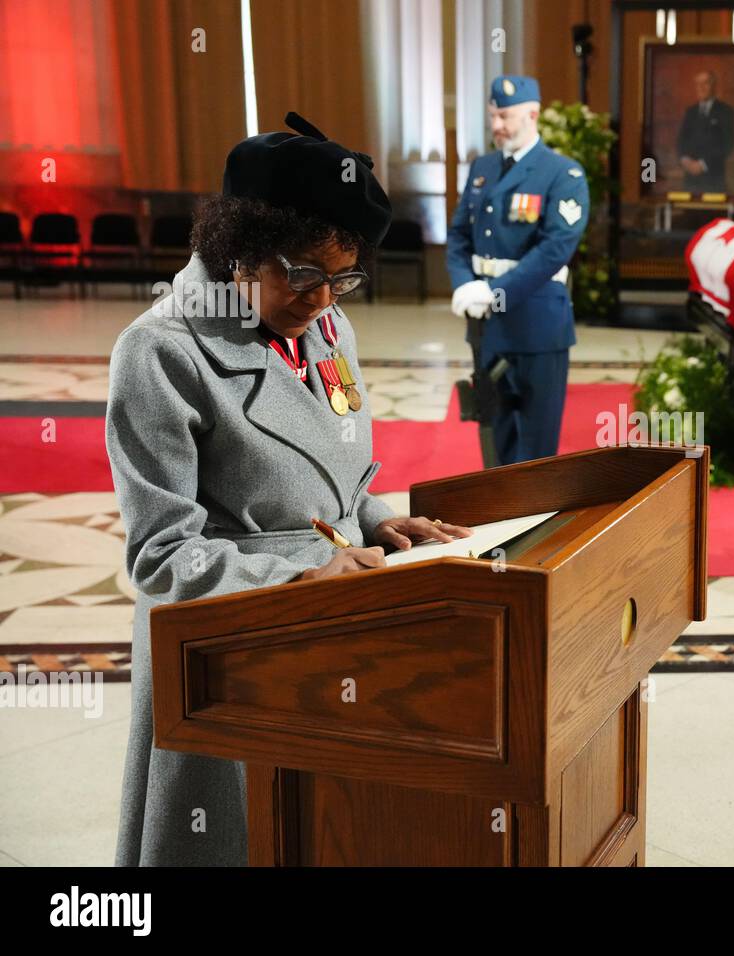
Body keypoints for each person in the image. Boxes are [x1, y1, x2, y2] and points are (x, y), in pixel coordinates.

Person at [107, 112, 472, 866]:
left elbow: (331, 467)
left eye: (344, 277)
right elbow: (161, 559)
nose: (323, 299)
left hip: (329, 627)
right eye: (303, 273)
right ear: (236, 246)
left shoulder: (325, 323)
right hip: (229, 647)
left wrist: (374, 519)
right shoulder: (162, 351)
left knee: (327, 834)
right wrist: (302, 573)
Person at [447, 74, 589, 466]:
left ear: (532, 114)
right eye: (492, 115)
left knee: (536, 442)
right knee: (494, 431)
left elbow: (555, 249)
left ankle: (536, 522)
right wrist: (463, 284)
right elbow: (459, 235)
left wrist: (495, 291)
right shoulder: (483, 168)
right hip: (486, 325)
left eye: (505, 116)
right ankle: (500, 517)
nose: (496, 126)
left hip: (537, 322)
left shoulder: (563, 174)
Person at [675, 70, 734, 194]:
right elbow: (681, 141)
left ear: (713, 86)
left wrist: (702, 164)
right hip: (690, 181)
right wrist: (685, 161)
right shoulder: (690, 112)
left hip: (713, 180)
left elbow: (728, 144)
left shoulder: (726, 111)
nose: (701, 88)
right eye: (698, 84)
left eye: (705, 83)